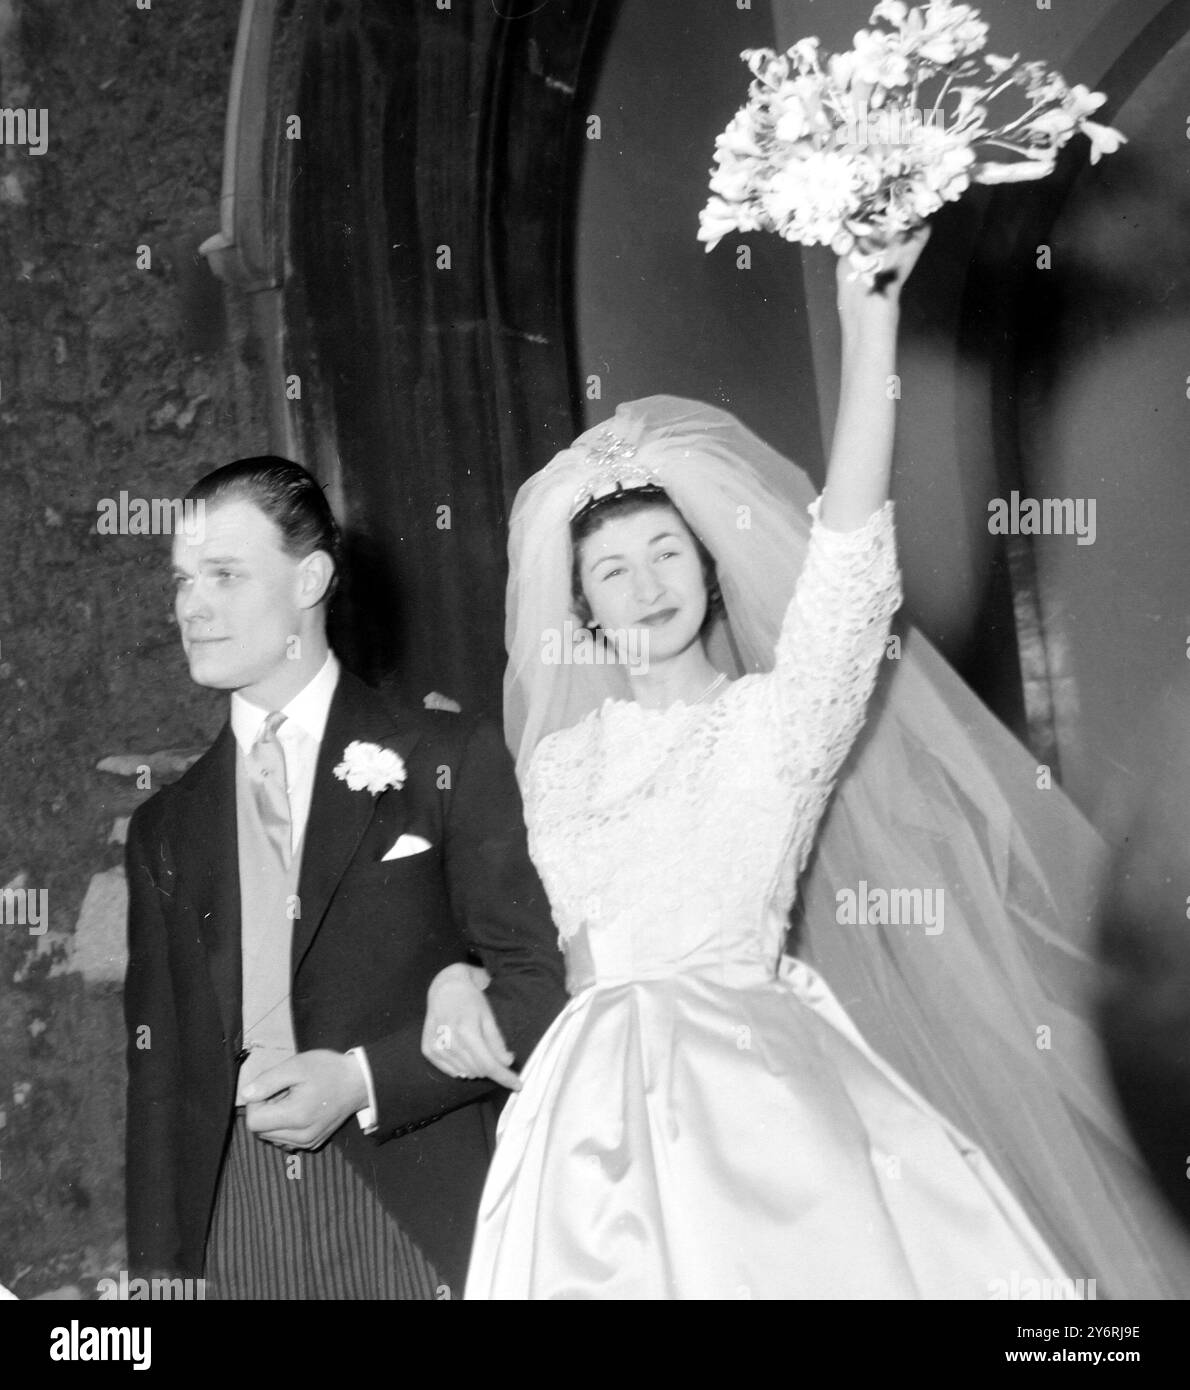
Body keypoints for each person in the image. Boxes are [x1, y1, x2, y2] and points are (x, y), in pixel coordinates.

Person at [424, 234, 1190, 1298]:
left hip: (752, 1093)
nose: (644, 586)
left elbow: (844, 557)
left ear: (706, 569)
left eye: (664, 555)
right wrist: (451, 973)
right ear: (582, 608)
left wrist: (865, 318)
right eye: (611, 568)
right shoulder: (554, 763)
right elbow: (513, 936)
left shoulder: (776, 724)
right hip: (580, 1130)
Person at [123, 457, 567, 1299]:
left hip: (410, 1206)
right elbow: (159, 1081)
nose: (191, 606)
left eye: (223, 574)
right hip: (235, 1225)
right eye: (183, 580)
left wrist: (362, 1078)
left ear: (311, 579)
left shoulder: (444, 756)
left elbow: (542, 993)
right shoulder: (165, 828)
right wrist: (159, 1278)